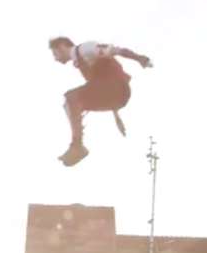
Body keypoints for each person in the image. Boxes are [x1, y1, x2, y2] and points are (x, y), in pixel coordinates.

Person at [48, 37, 153, 167]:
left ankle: (77, 146)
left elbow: (114, 50)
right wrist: (116, 114)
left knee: (71, 98)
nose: (55, 58)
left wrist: (140, 58)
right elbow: (99, 86)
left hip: (118, 88)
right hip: (115, 96)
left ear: (61, 47)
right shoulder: (81, 62)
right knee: (69, 104)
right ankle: (77, 145)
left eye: (55, 53)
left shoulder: (85, 49)